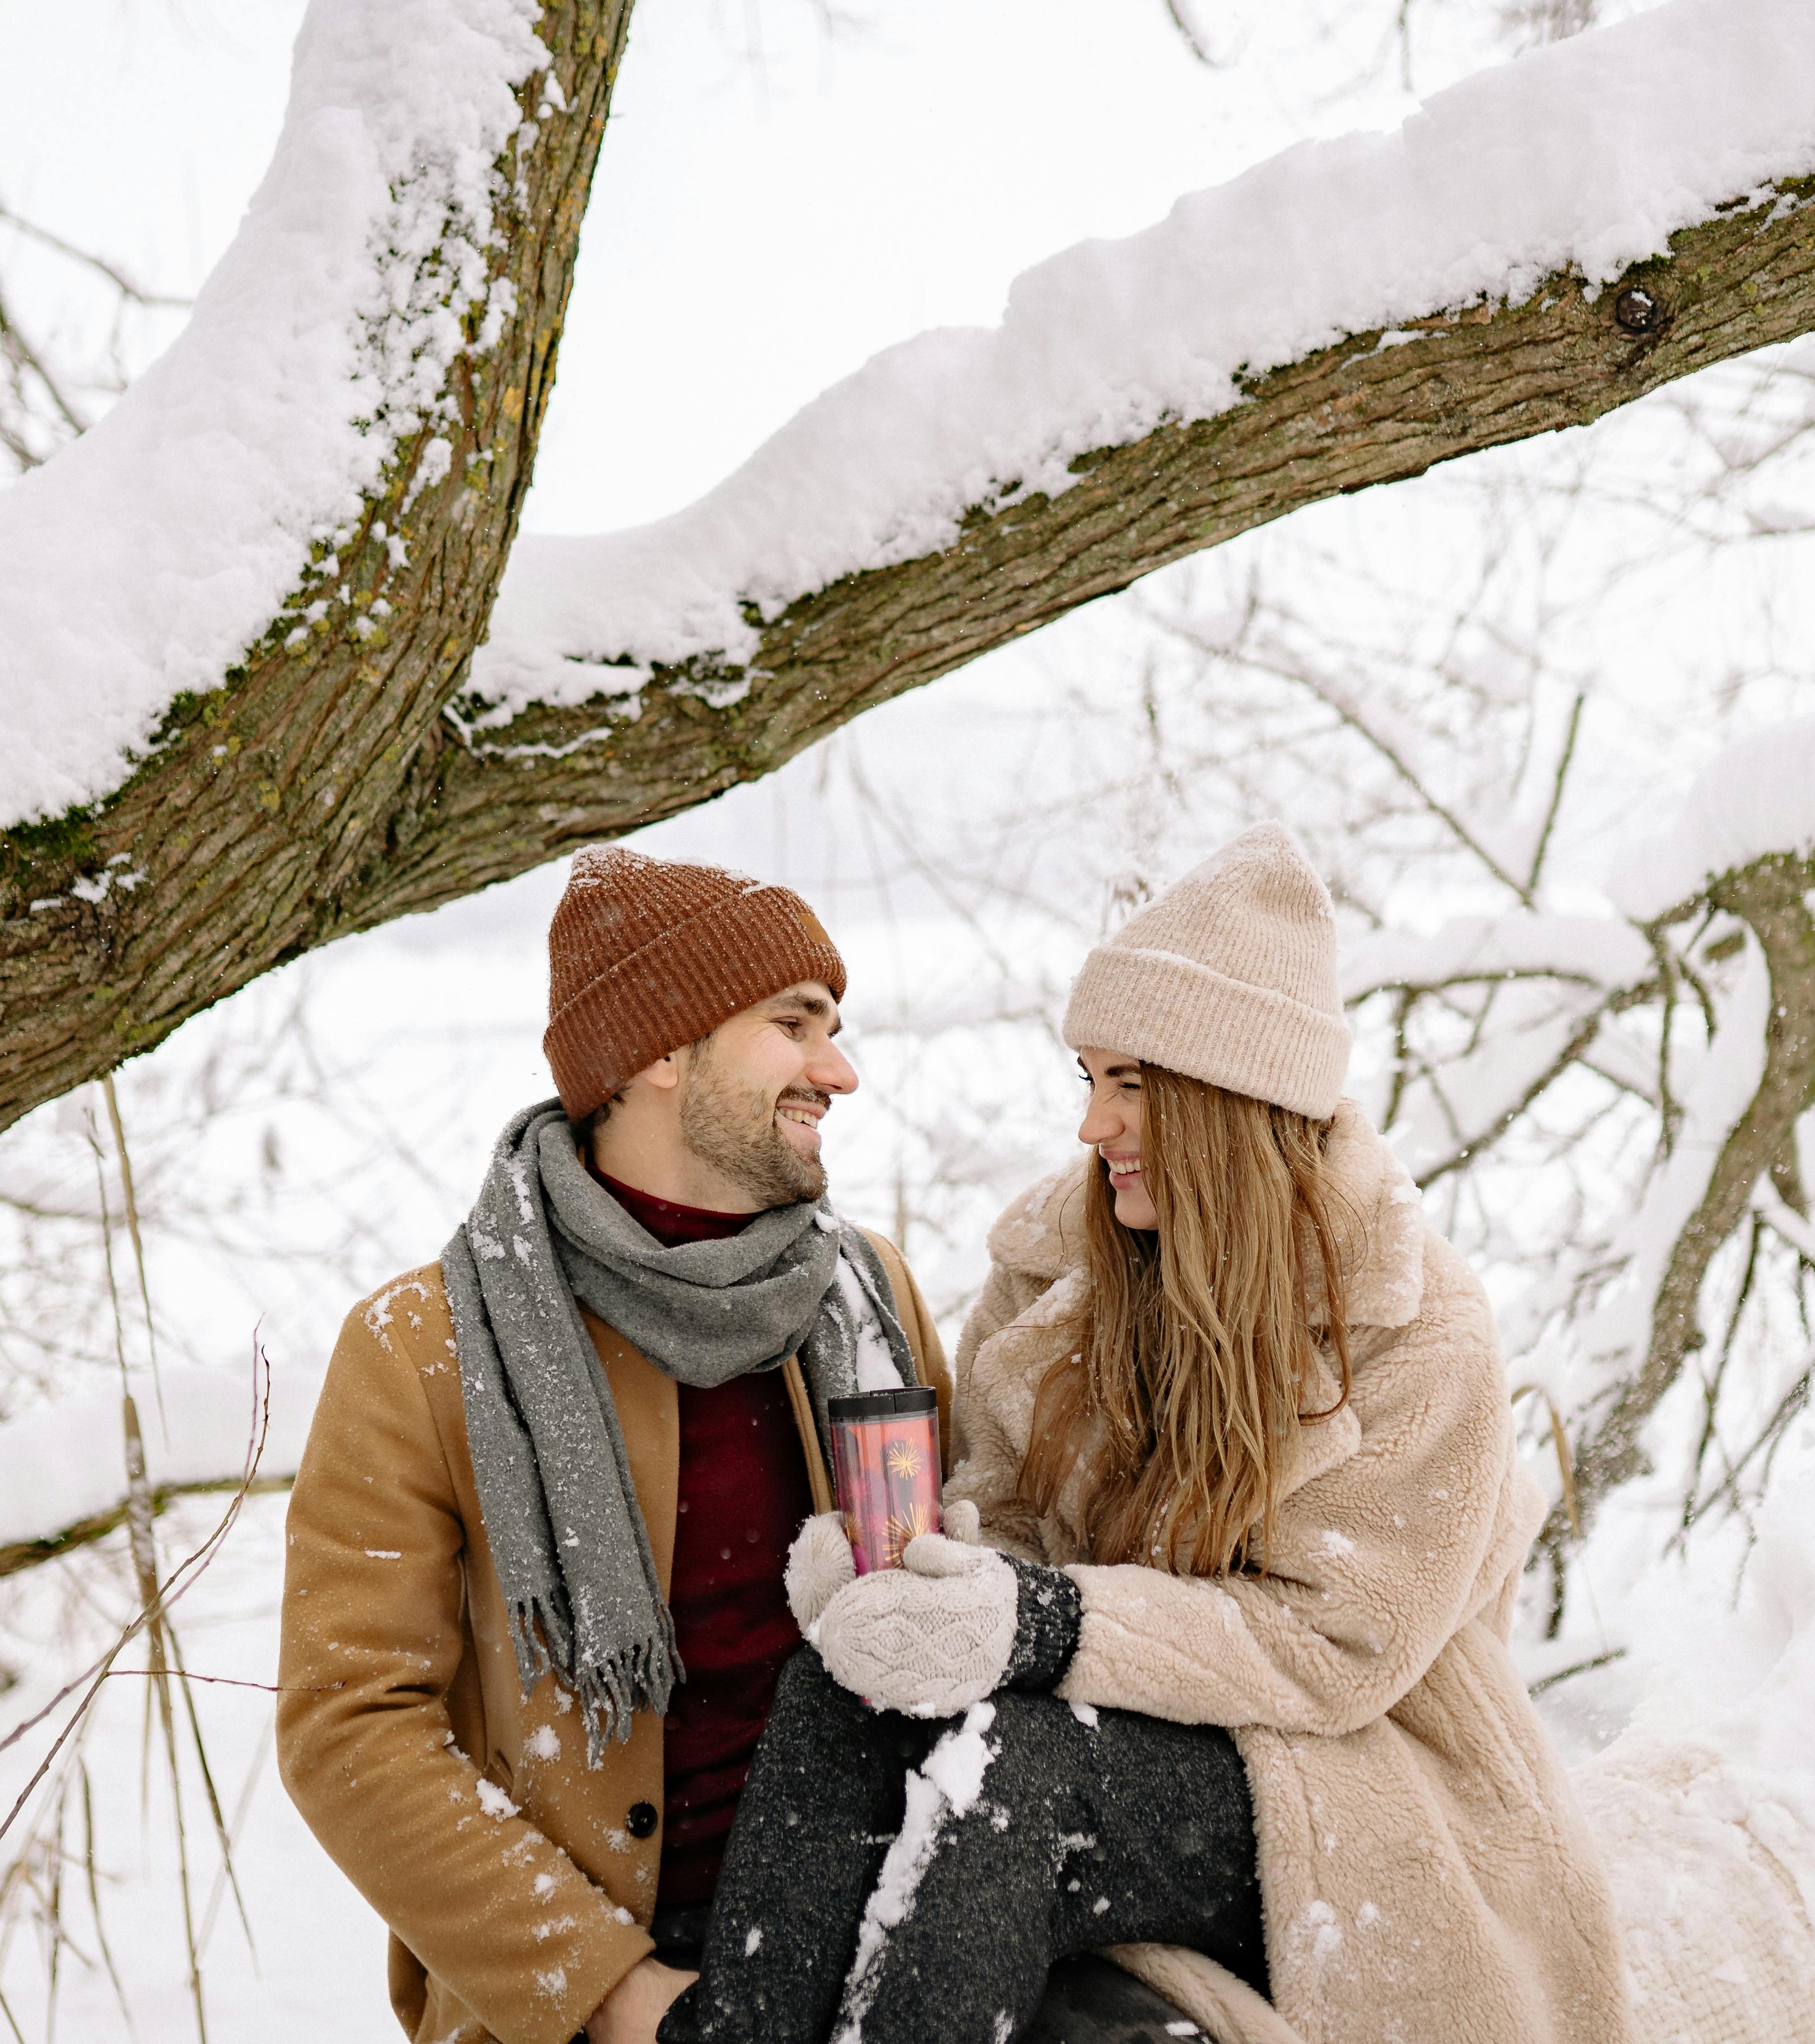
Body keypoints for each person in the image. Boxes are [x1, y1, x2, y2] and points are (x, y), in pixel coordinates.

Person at [659, 824, 1635, 2044]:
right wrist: (911, 1583)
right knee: (839, 1688)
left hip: (1339, 1778)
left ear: (1230, 1100)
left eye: (1132, 1085)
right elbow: (1006, 1523)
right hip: (1108, 1715)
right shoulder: (1053, 1272)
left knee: (1017, 1764)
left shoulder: (1418, 1323)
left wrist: (1043, 1622)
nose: (1092, 1125)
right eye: (1089, 1079)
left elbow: (1337, 1650)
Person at [276, 847, 955, 2044]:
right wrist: (618, 1996)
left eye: (835, 1028)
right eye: (795, 1023)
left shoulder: (867, 1293)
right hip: (613, 1991)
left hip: (879, 1940)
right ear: (659, 1047)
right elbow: (352, 1728)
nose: (838, 1069)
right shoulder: (424, 1347)